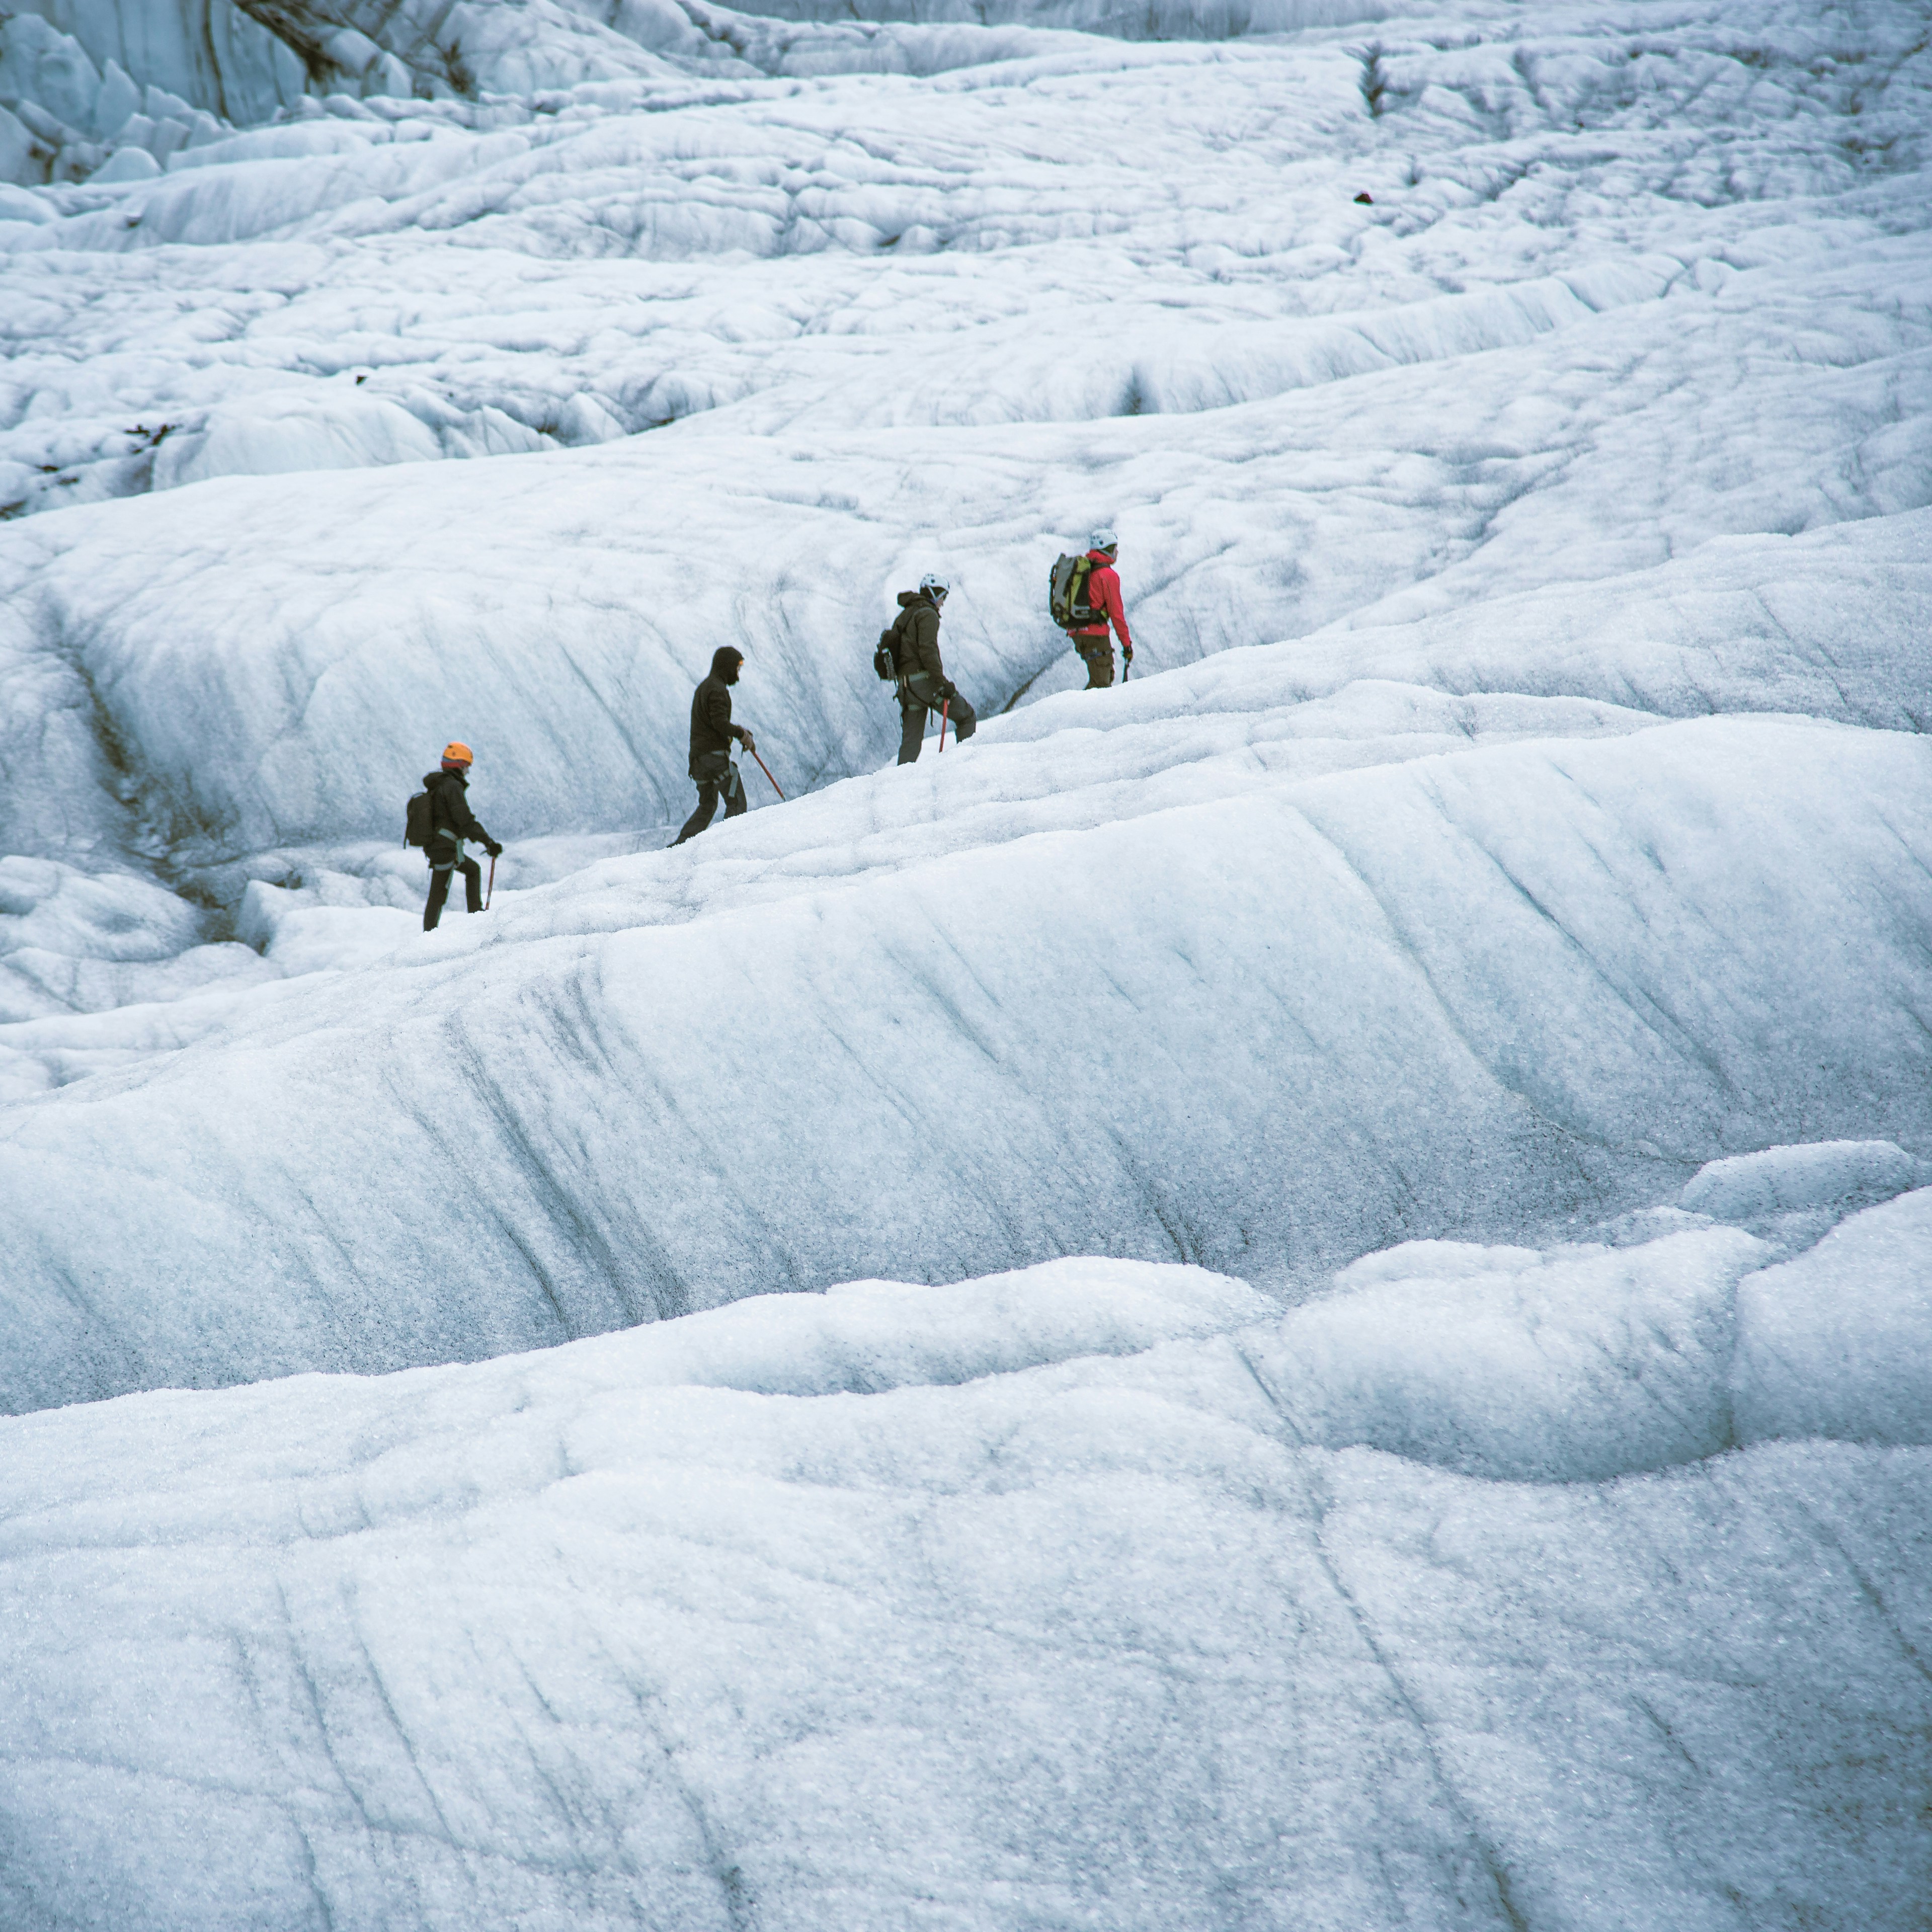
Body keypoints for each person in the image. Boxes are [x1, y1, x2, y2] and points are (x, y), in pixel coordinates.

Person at [674, 647, 757, 845]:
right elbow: (720, 723)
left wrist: (738, 734)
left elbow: (714, 723)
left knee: (707, 805)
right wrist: (742, 734)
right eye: (737, 668)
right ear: (727, 667)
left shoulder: (704, 687)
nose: (738, 674)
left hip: (698, 761)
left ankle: (680, 845)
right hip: (714, 759)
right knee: (736, 802)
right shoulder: (717, 690)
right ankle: (726, 845)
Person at [891, 573, 976, 765]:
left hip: (905, 688)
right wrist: (942, 683)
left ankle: (897, 787)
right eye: (943, 597)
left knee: (911, 744)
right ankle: (966, 767)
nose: (943, 603)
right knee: (966, 716)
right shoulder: (927, 614)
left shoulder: (905, 614)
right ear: (935, 594)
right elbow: (928, 651)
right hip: (924, 683)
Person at [421, 741, 501, 931]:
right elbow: (464, 819)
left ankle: (475, 916)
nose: (468, 771)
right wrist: (488, 842)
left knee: (472, 870)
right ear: (460, 765)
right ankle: (429, 935)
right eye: (467, 767)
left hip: (440, 845)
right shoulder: (452, 787)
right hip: (444, 847)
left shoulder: (440, 785)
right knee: (438, 894)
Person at [1068, 527, 1134, 688]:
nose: (1117, 552)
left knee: (1100, 682)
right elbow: (1117, 615)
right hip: (1095, 635)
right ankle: (1073, 712)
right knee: (1101, 684)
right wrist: (1126, 644)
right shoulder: (1108, 576)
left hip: (1077, 632)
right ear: (1109, 549)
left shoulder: (1084, 570)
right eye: (1115, 548)